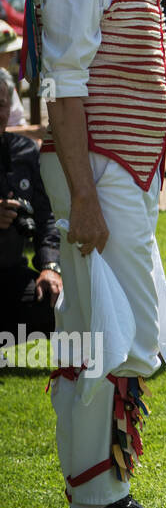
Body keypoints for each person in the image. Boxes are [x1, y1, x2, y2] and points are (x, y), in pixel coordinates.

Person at [29, 0, 166, 508]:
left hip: (123, 169)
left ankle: (105, 498)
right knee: (104, 335)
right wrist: (84, 197)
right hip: (99, 169)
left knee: (114, 336)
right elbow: (64, 86)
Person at [0, 68, 61, 340]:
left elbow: (48, 218)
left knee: (60, 305)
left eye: (0, 105)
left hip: (12, 273)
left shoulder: (25, 152)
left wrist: (49, 267)